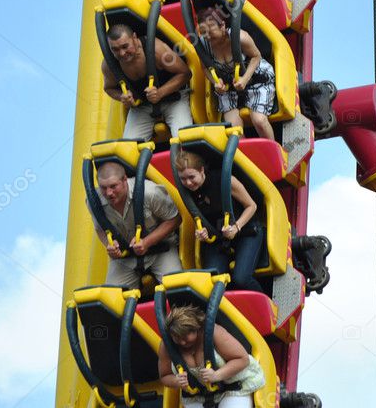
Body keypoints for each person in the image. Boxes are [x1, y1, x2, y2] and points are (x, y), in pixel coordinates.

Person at [175, 149, 262, 291]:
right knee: (212, 284)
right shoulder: (188, 194)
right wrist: (201, 232)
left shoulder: (224, 180)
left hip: (246, 230)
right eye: (183, 179)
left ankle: (264, 304)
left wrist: (236, 227)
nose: (188, 183)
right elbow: (201, 220)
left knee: (241, 279)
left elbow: (252, 206)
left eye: (191, 177)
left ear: (202, 170)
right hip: (219, 237)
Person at [89, 161, 183, 288]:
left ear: (124, 180)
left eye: (113, 186)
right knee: (111, 301)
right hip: (125, 258)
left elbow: (175, 219)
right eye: (103, 188)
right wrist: (109, 245)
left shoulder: (150, 193)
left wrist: (147, 242)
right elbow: (100, 229)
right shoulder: (95, 202)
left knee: (177, 287)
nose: (109, 193)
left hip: (160, 249)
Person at [158, 304, 265, 407]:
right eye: (177, 338)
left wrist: (217, 375)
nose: (182, 342)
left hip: (234, 386)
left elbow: (242, 359)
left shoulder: (213, 332)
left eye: (185, 337)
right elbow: (164, 376)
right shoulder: (167, 345)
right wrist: (176, 381)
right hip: (198, 396)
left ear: (196, 328)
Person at [101, 23, 194, 140]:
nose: (122, 53)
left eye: (125, 46)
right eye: (115, 49)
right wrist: (122, 96)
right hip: (142, 107)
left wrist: (160, 93)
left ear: (134, 38)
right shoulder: (109, 65)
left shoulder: (157, 50)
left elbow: (185, 73)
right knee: (128, 149)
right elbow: (108, 88)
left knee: (185, 139)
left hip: (173, 99)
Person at [197, 7, 275, 141]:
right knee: (234, 131)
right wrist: (215, 82)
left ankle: (273, 152)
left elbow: (256, 56)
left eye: (211, 31)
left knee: (259, 121)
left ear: (222, 26)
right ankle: (247, 157)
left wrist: (245, 79)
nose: (208, 36)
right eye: (204, 32)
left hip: (254, 78)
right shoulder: (203, 45)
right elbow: (205, 68)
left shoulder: (240, 37)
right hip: (229, 86)